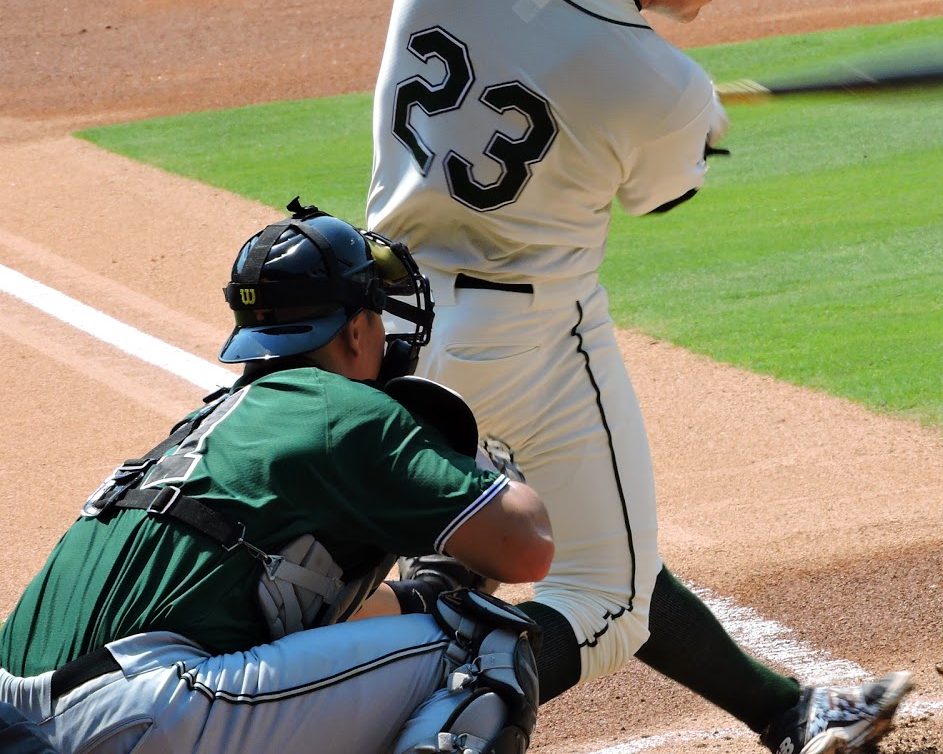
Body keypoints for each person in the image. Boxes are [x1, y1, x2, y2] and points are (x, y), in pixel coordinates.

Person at [367, 0, 913, 754]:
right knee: (607, 592)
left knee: (495, 545)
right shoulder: (662, 87)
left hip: (371, 319)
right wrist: (693, 117)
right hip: (523, 344)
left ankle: (789, 715)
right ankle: (448, 710)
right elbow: (661, 191)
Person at [0, 201, 555, 754]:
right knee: (480, 644)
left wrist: (421, 595)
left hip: (21, 720)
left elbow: (303, 617)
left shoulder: (211, 426)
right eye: (379, 315)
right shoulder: (343, 408)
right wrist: (482, 468)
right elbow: (527, 549)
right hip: (136, 715)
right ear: (356, 331)